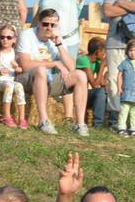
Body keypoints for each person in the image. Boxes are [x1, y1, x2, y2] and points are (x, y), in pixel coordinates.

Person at [16, 8, 91, 136]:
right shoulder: (27, 35)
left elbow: (72, 67)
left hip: (47, 82)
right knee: (41, 70)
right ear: (39, 24)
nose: (49, 28)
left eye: (53, 25)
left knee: (81, 75)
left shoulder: (56, 40)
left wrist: (59, 44)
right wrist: (54, 63)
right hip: (25, 79)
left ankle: (80, 124)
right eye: (45, 24)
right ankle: (44, 121)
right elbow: (26, 65)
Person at [0, 26, 26, 128]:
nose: (5, 40)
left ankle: (21, 118)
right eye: (2, 37)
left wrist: (17, 67)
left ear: (14, 40)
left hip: (10, 81)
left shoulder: (15, 54)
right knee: (10, 86)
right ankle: (6, 116)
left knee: (19, 86)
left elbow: (21, 70)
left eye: (9, 37)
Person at [81, 37, 108, 127]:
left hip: (86, 95)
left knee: (105, 93)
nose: (104, 54)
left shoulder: (97, 62)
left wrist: (107, 74)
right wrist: (102, 67)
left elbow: (102, 84)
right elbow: (94, 84)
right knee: (100, 92)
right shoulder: (83, 60)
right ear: (98, 52)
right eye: (104, 51)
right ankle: (98, 124)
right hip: (78, 95)